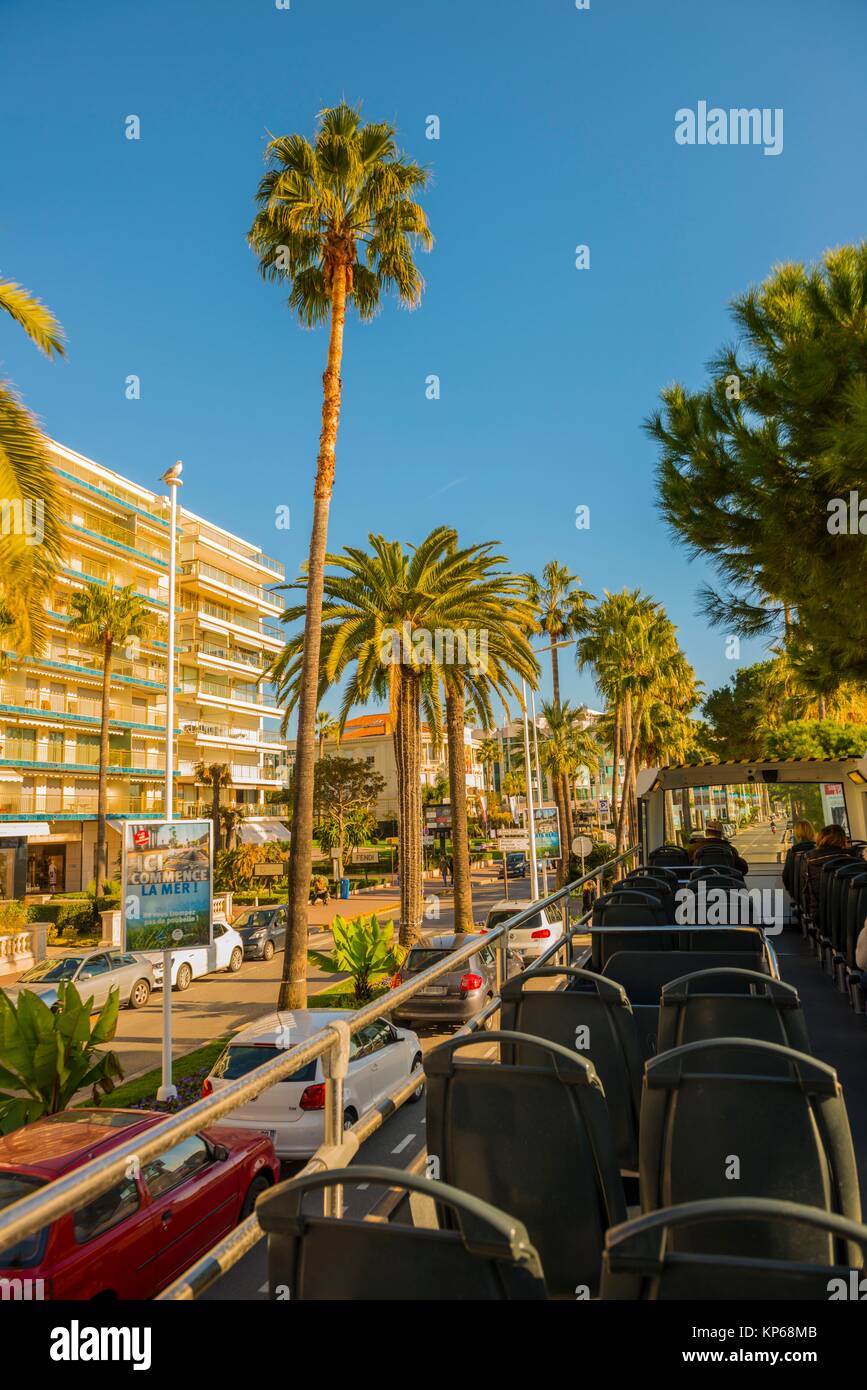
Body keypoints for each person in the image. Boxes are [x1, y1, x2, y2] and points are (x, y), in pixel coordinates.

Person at [803, 824, 855, 925]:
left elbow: (806, 893)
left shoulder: (810, 861)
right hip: (854, 917)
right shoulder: (854, 861)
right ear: (843, 841)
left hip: (822, 917)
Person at [782, 818, 815, 897]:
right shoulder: (818, 850)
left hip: (800, 897)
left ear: (797, 834)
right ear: (811, 832)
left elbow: (786, 877)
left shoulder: (792, 852)